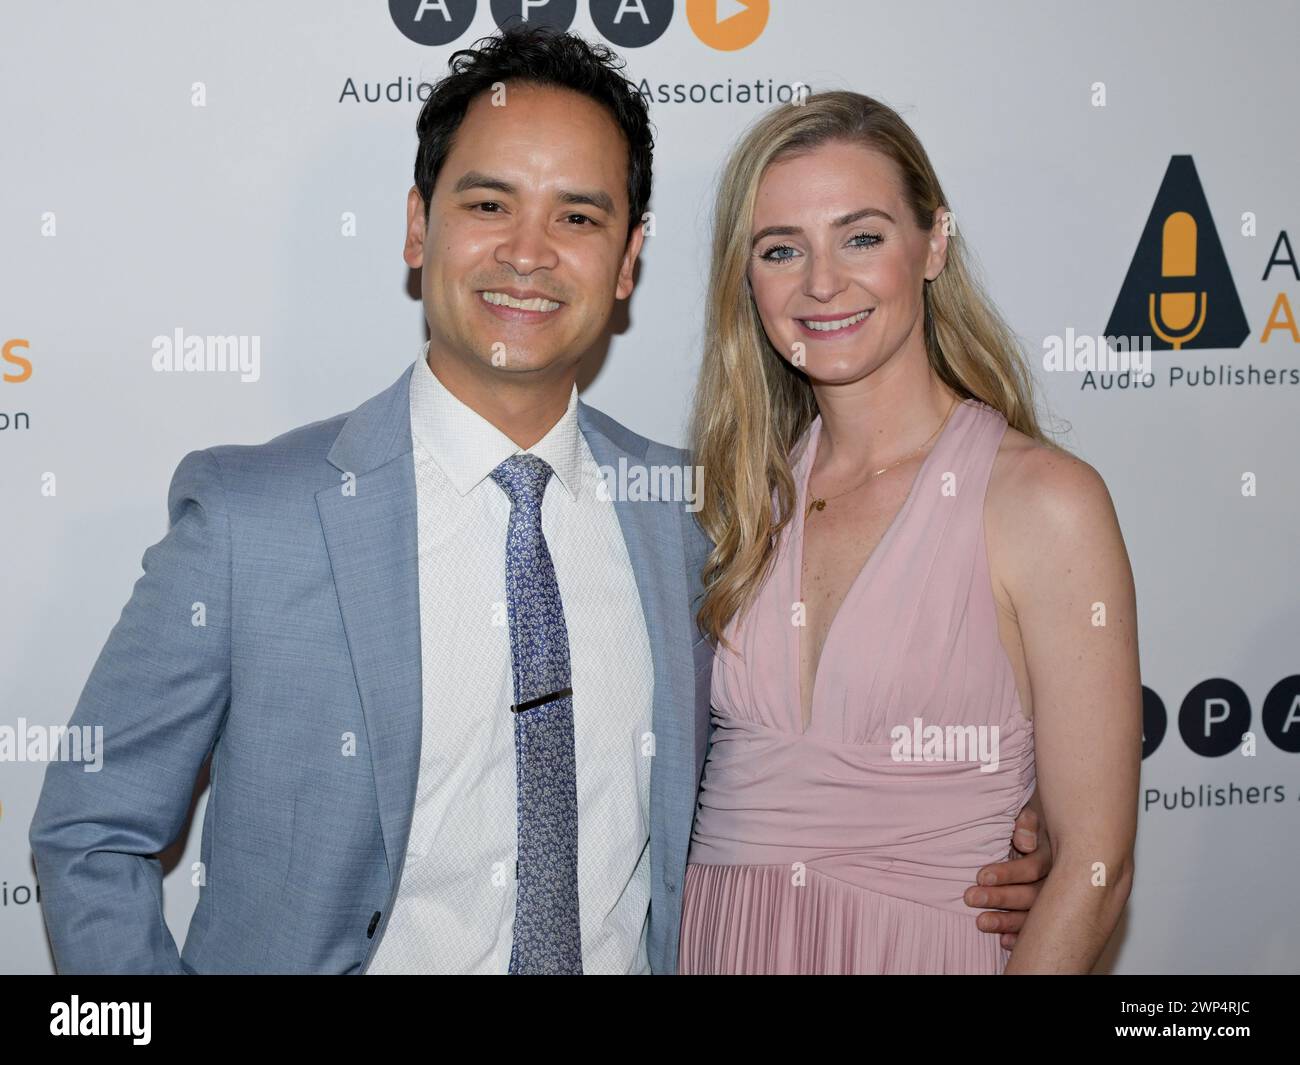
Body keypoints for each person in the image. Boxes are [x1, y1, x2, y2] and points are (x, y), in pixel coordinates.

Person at [29, 29, 1050, 975]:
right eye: (488, 204)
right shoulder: (255, 518)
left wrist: (991, 824)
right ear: (418, 227)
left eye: (577, 215)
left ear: (627, 261)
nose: (528, 251)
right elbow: (90, 830)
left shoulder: (703, 514)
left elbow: (788, 758)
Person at [680, 91, 1140, 974]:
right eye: (783, 249)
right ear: (747, 279)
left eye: (862, 236)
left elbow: (1096, 866)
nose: (822, 282)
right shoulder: (737, 500)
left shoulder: (1043, 502)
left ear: (933, 244)